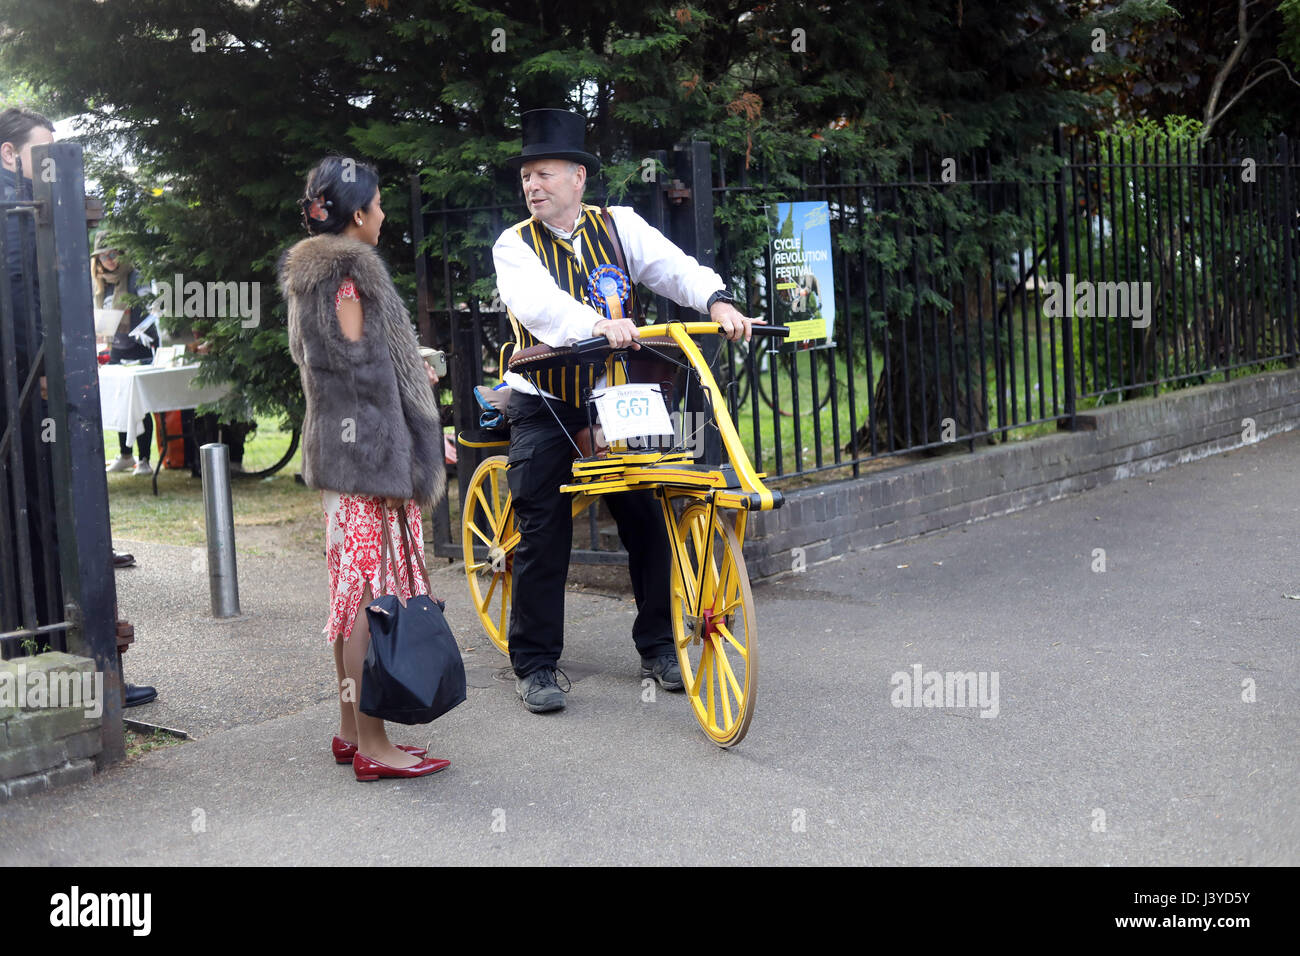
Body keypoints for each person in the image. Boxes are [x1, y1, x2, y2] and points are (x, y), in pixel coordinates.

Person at [492, 108, 761, 714]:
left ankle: (662, 648)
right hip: (546, 395)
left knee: (648, 514)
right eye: (526, 177)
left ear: (578, 178)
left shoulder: (618, 226)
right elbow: (540, 308)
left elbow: (672, 268)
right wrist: (598, 325)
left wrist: (717, 301)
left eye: (544, 173)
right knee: (543, 526)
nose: (532, 186)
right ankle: (535, 665)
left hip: (615, 393)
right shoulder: (514, 245)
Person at [279, 155, 449, 782]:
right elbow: (362, 376)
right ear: (357, 215)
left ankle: (352, 730)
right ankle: (375, 746)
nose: (383, 215)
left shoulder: (317, 277)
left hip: (343, 456)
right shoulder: (348, 278)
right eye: (377, 206)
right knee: (365, 601)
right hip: (367, 462)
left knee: (350, 595)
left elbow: (335, 363)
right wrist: (417, 417)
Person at [93, 229, 159, 475]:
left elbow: (149, 311)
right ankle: (125, 455)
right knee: (121, 403)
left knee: (140, 405)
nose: (109, 259)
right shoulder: (102, 285)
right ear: (98, 261)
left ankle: (144, 459)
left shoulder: (136, 276)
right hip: (116, 351)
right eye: (103, 256)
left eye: (113, 253)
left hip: (140, 347)